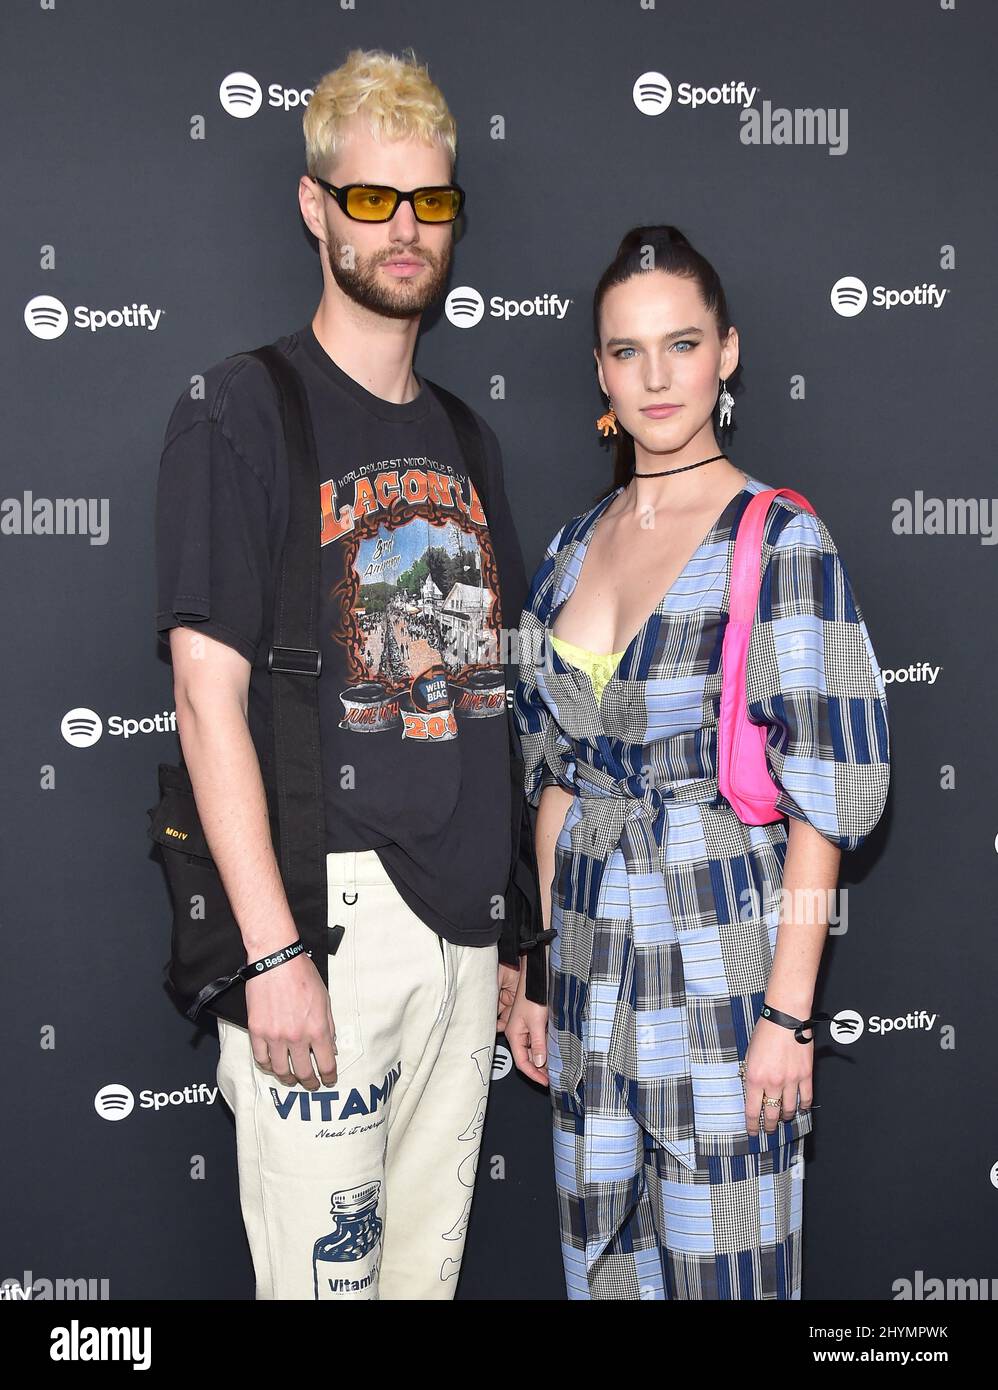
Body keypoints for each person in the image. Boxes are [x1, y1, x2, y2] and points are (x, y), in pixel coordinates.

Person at [154, 48, 542, 1300]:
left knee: (421, 1285)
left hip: (465, 936)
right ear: (314, 206)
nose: (403, 228)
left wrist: (512, 937)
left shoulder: (470, 438)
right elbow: (205, 697)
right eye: (371, 198)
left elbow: (493, 704)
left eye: (429, 200)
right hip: (330, 924)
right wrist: (273, 953)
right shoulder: (239, 408)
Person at [508, 225, 891, 1300]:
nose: (655, 377)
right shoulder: (570, 548)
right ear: (599, 371)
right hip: (587, 969)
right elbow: (554, 781)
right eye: (626, 351)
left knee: (729, 1269)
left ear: (726, 352)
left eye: (681, 344)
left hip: (721, 963)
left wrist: (787, 1015)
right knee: (602, 1270)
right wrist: (540, 969)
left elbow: (826, 801)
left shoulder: (778, 539)